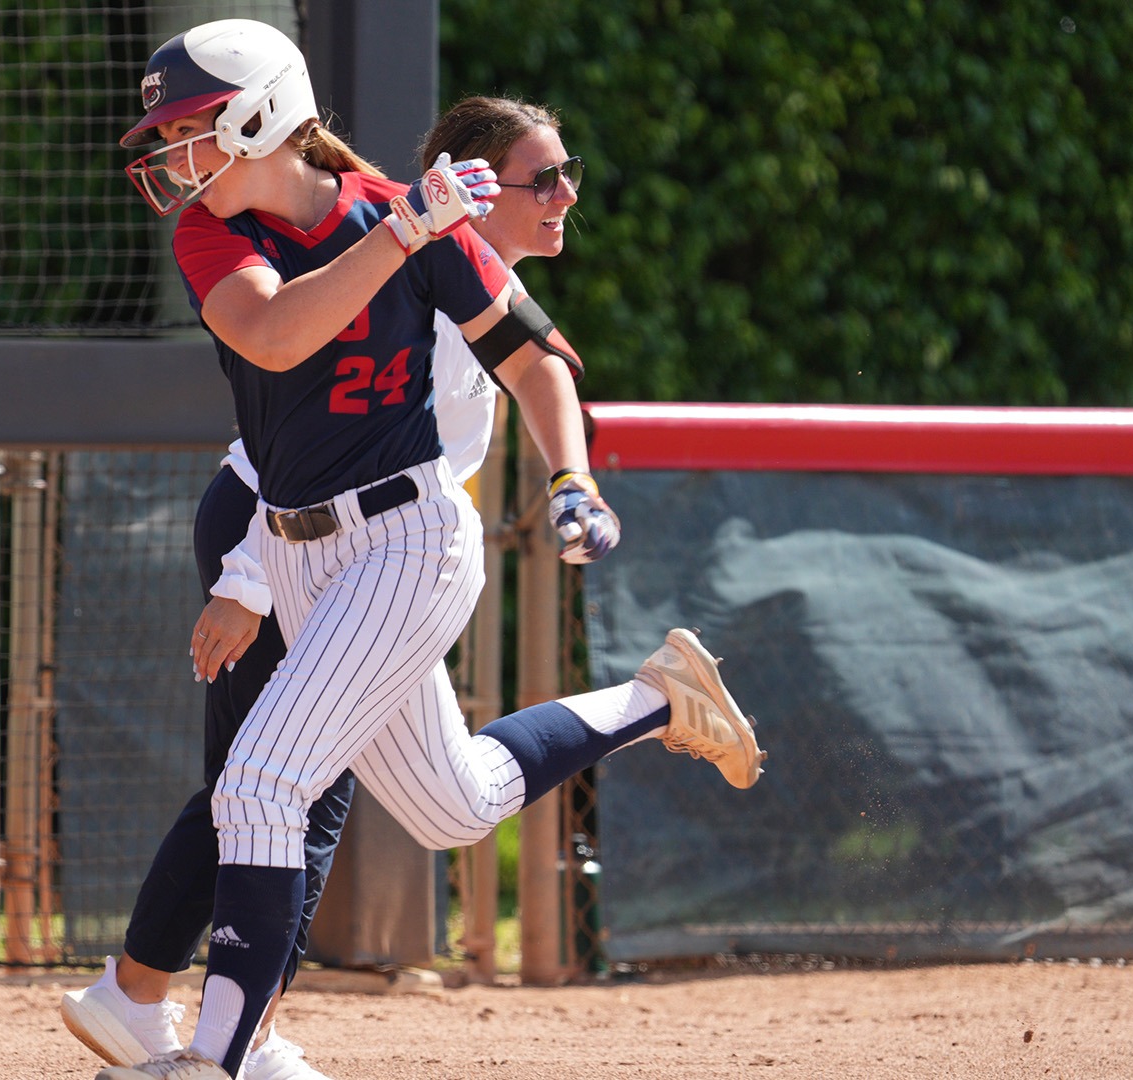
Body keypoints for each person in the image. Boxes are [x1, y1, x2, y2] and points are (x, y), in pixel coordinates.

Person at [89, 21, 763, 1080]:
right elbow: (274, 335)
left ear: (260, 116)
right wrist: (405, 233)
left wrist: (573, 480)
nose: (175, 154)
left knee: (260, 784)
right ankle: (658, 700)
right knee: (457, 804)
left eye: (190, 129)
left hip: (407, 541)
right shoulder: (223, 233)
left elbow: (536, 361)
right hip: (295, 547)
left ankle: (216, 1059)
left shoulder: (405, 219)